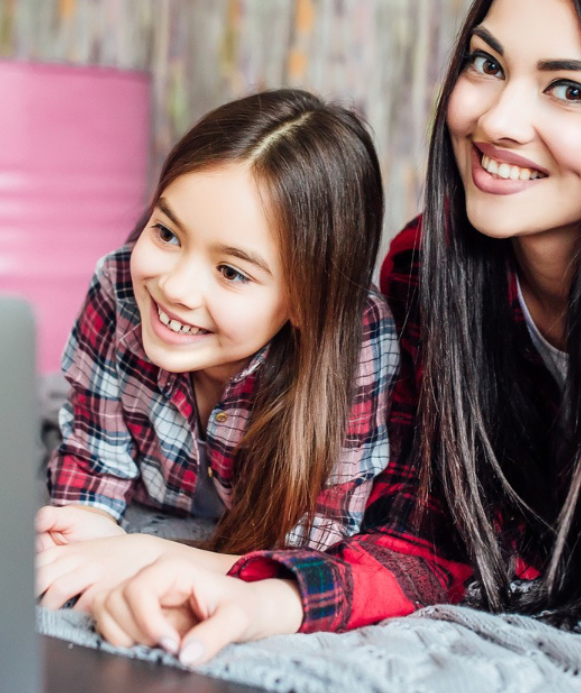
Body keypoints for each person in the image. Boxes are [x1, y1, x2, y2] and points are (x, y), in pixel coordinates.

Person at [88, 0, 581, 665]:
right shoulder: (428, 265)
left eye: (569, 91)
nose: (496, 119)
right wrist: (260, 596)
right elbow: (431, 538)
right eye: (487, 64)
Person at [34, 88, 399, 612]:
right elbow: (92, 471)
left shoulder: (357, 343)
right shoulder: (119, 285)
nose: (176, 287)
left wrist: (142, 554)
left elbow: (318, 558)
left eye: (230, 271)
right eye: (166, 233)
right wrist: (83, 528)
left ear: (306, 298)